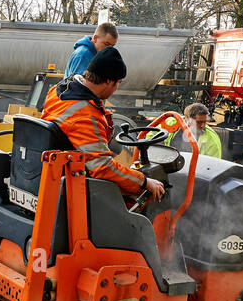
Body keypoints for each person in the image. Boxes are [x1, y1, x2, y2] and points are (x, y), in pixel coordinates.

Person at [42, 45, 165, 202]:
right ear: (108, 81)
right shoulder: (86, 114)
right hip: (73, 183)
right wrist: (144, 182)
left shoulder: (59, 90)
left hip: (54, 169)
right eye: (118, 82)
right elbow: (102, 167)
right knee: (136, 198)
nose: (117, 88)